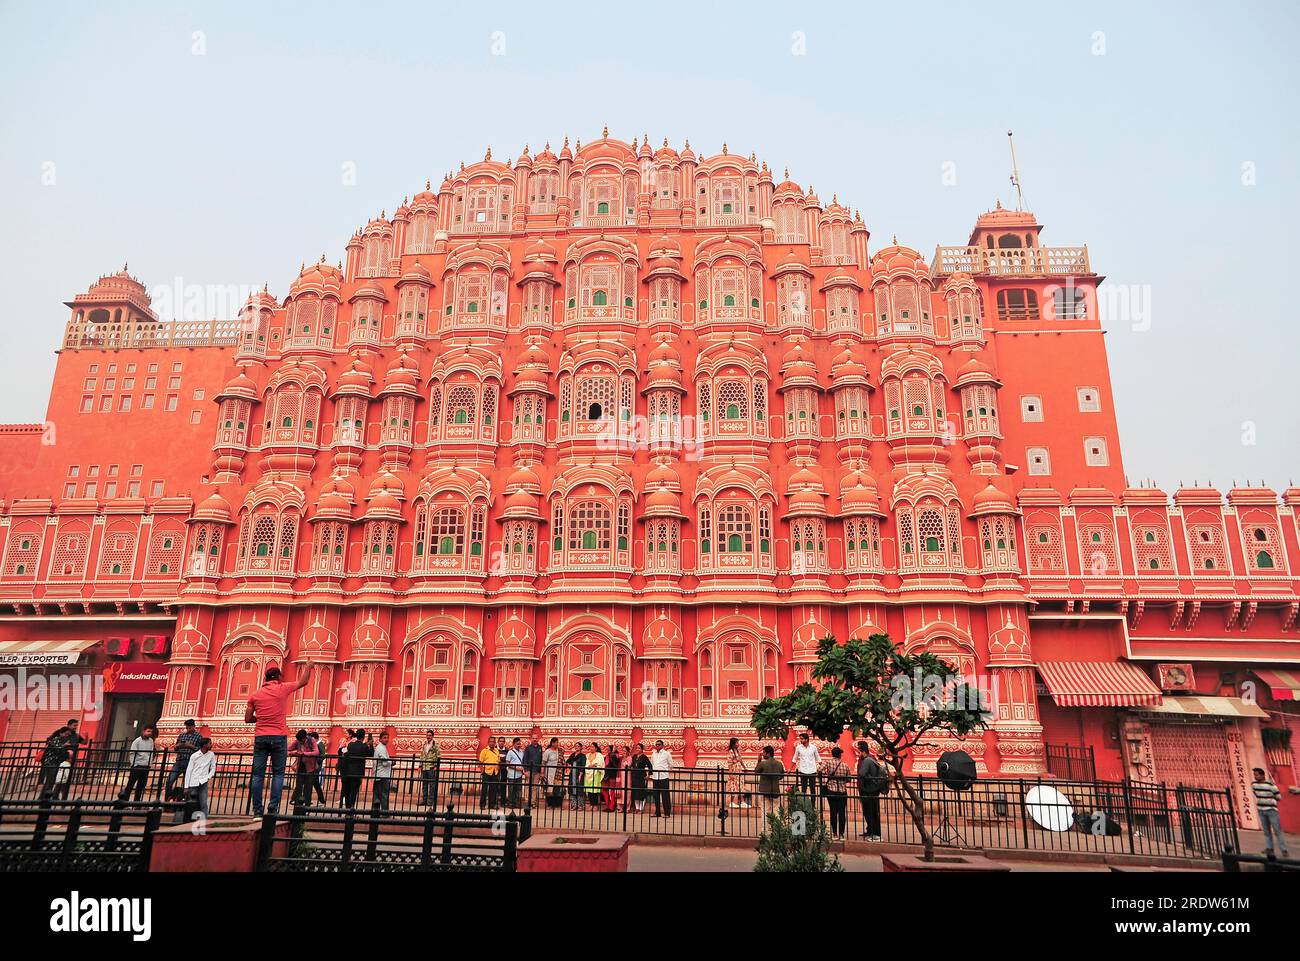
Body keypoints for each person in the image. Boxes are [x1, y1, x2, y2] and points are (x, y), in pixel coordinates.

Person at [244, 663, 317, 817]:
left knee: (257, 775)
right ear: (277, 677)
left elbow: (248, 718)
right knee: (278, 774)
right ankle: (272, 808)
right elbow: (302, 682)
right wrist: (308, 667)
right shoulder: (282, 688)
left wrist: (261, 718)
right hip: (278, 736)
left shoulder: (255, 695)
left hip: (261, 737)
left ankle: (257, 810)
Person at [1252, 767, 1289, 858]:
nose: (1255, 777)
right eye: (1254, 775)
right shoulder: (1254, 784)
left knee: (1277, 831)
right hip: (1261, 810)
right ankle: (1270, 848)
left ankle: (1284, 850)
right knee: (1266, 831)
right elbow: (1256, 794)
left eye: (1257, 775)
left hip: (1272, 810)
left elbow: (1278, 797)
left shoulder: (1271, 785)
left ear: (1262, 775)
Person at [39, 721, 83, 799]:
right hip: (50, 762)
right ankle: (44, 798)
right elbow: (57, 749)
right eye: (66, 734)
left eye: (67, 735)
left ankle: (47, 797)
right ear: (61, 733)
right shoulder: (56, 739)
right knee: (50, 781)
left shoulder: (63, 739)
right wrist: (65, 748)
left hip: (56, 762)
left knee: (53, 780)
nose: (66, 736)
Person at [855, 741, 887, 841]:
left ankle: (875, 833)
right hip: (872, 788)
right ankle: (871, 831)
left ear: (863, 751)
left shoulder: (867, 760)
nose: (858, 754)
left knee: (871, 812)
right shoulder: (871, 759)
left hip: (869, 789)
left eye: (859, 751)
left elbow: (862, 773)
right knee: (871, 811)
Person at [165, 719, 202, 800]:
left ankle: (186, 802)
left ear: (193, 726)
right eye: (187, 728)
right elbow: (175, 748)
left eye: (189, 728)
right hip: (179, 760)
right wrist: (178, 746)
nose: (188, 729)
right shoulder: (182, 735)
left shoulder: (198, 736)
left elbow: (200, 751)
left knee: (187, 784)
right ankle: (169, 799)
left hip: (190, 762)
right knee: (169, 781)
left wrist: (190, 746)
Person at [182, 737, 216, 823]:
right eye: (209, 743)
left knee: (203, 803)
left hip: (203, 781)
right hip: (193, 781)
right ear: (204, 745)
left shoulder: (211, 754)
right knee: (192, 803)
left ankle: (204, 821)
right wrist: (186, 786)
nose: (211, 745)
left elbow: (213, 768)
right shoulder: (194, 756)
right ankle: (190, 821)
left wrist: (208, 777)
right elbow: (189, 771)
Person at [118, 725, 156, 802]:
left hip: (146, 766)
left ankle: (136, 803)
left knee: (141, 786)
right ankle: (124, 802)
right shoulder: (137, 741)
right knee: (130, 785)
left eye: (151, 732)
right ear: (143, 731)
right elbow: (132, 753)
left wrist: (150, 763)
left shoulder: (151, 741)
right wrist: (133, 764)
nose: (149, 733)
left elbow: (151, 752)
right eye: (148, 731)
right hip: (137, 765)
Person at [821, 746, 851, 841]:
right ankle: (841, 834)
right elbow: (849, 778)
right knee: (842, 813)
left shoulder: (828, 763)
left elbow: (819, 770)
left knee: (833, 812)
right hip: (842, 791)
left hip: (831, 790)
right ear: (839, 755)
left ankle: (834, 833)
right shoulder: (845, 765)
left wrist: (827, 776)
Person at [338, 729, 373, 810]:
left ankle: (347, 808)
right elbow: (371, 753)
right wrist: (370, 745)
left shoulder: (350, 745)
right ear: (364, 737)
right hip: (357, 773)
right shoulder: (364, 746)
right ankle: (351, 809)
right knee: (354, 792)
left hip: (348, 771)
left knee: (347, 791)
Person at [289, 729, 320, 809]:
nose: (300, 742)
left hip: (310, 767)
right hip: (301, 766)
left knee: (308, 787)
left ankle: (307, 805)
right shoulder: (298, 741)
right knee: (299, 786)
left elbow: (317, 752)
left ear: (305, 738)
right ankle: (297, 806)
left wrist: (304, 754)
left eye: (301, 740)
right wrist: (293, 753)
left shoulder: (311, 740)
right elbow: (288, 749)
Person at [753, 745, 786, 819]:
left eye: (764, 753)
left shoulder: (763, 764)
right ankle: (777, 828)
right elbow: (781, 776)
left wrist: (759, 760)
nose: (763, 754)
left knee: (765, 811)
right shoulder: (779, 763)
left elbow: (756, 771)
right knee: (776, 811)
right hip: (775, 790)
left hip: (764, 791)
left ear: (768, 754)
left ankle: (765, 829)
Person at [650, 739, 673, 818]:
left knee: (665, 796)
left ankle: (667, 813)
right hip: (655, 777)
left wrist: (665, 770)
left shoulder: (667, 754)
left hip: (664, 777)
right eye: (656, 744)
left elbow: (671, 765)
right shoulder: (653, 754)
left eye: (659, 744)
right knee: (656, 796)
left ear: (662, 745)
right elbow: (652, 764)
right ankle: (657, 812)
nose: (657, 746)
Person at [793, 732, 820, 796]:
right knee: (803, 788)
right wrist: (789, 769)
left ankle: (813, 804)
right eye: (800, 739)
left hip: (812, 771)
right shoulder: (798, 747)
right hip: (803, 771)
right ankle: (804, 804)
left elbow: (818, 758)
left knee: (813, 788)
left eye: (802, 739)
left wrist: (822, 767)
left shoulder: (813, 747)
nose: (800, 740)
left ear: (807, 739)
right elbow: (795, 758)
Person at [725, 737, 749, 809]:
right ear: (733, 744)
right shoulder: (730, 752)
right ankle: (732, 802)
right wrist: (730, 774)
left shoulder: (738, 751)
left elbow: (740, 760)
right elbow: (729, 763)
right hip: (734, 770)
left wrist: (744, 767)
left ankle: (742, 802)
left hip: (739, 770)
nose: (738, 744)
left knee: (740, 786)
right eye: (737, 743)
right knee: (733, 786)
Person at [419, 730, 441, 807]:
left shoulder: (435, 745)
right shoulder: (424, 744)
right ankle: (424, 800)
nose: (428, 736)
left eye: (429, 735)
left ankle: (430, 801)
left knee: (432, 785)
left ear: (432, 736)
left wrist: (435, 766)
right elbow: (422, 755)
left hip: (431, 766)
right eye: (427, 735)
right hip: (425, 766)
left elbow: (438, 755)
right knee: (424, 784)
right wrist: (420, 765)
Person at [372, 731, 393, 812]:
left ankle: (375, 812)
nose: (386, 739)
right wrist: (392, 762)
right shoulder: (381, 748)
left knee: (377, 795)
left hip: (379, 774)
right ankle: (385, 812)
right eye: (384, 738)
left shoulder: (381, 747)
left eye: (387, 738)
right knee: (384, 795)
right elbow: (385, 762)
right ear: (380, 739)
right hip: (382, 775)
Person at [479, 737, 501, 810]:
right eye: (491, 741)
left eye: (493, 742)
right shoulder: (484, 751)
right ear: (488, 742)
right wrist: (482, 771)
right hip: (487, 771)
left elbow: (498, 760)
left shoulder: (497, 751)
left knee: (493, 789)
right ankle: (482, 804)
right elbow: (481, 762)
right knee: (484, 789)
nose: (492, 743)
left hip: (495, 771)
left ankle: (492, 804)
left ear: (495, 743)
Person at [629, 743, 652, 812]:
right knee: (635, 792)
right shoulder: (634, 756)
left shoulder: (644, 757)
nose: (637, 749)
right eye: (636, 748)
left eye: (639, 748)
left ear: (642, 749)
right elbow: (631, 764)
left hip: (642, 776)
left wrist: (649, 775)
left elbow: (650, 766)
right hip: (634, 776)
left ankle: (641, 808)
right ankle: (637, 808)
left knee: (641, 792)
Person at [542, 737, 563, 807]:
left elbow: (562, 760)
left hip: (558, 773)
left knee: (557, 789)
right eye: (556, 742)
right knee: (549, 789)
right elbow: (543, 763)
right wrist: (542, 773)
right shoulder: (547, 752)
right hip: (549, 773)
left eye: (558, 742)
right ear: (552, 743)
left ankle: (556, 804)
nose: (557, 744)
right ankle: (550, 804)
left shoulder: (559, 751)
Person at [522, 735, 543, 807]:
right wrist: (525, 770)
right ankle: (527, 801)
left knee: (535, 787)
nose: (535, 739)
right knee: (528, 786)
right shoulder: (528, 748)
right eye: (533, 738)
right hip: (529, 770)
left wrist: (541, 771)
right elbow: (524, 759)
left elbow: (541, 760)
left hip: (537, 771)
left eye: (536, 738)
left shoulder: (540, 748)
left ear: (538, 739)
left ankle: (533, 802)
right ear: (531, 739)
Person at [307, 732, 327, 805]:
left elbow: (323, 755)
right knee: (316, 784)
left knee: (310, 784)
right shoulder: (316, 744)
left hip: (316, 767)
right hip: (313, 767)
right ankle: (321, 800)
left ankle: (307, 800)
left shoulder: (320, 744)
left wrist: (315, 760)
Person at [584, 743, 605, 808]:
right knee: (589, 790)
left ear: (596, 748)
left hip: (595, 774)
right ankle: (591, 804)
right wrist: (589, 766)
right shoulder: (587, 755)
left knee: (594, 790)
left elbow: (600, 763)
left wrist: (593, 765)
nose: (591, 748)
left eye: (593, 747)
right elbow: (585, 763)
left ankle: (595, 805)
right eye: (590, 747)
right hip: (588, 774)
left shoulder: (599, 755)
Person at [567, 743, 587, 809]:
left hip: (579, 774)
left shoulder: (582, 756)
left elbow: (583, 765)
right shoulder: (572, 755)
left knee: (579, 790)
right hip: (572, 774)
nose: (577, 747)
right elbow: (568, 761)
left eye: (578, 746)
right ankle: (573, 805)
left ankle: (580, 805)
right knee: (572, 789)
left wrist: (580, 775)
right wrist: (569, 766)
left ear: (581, 747)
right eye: (575, 746)